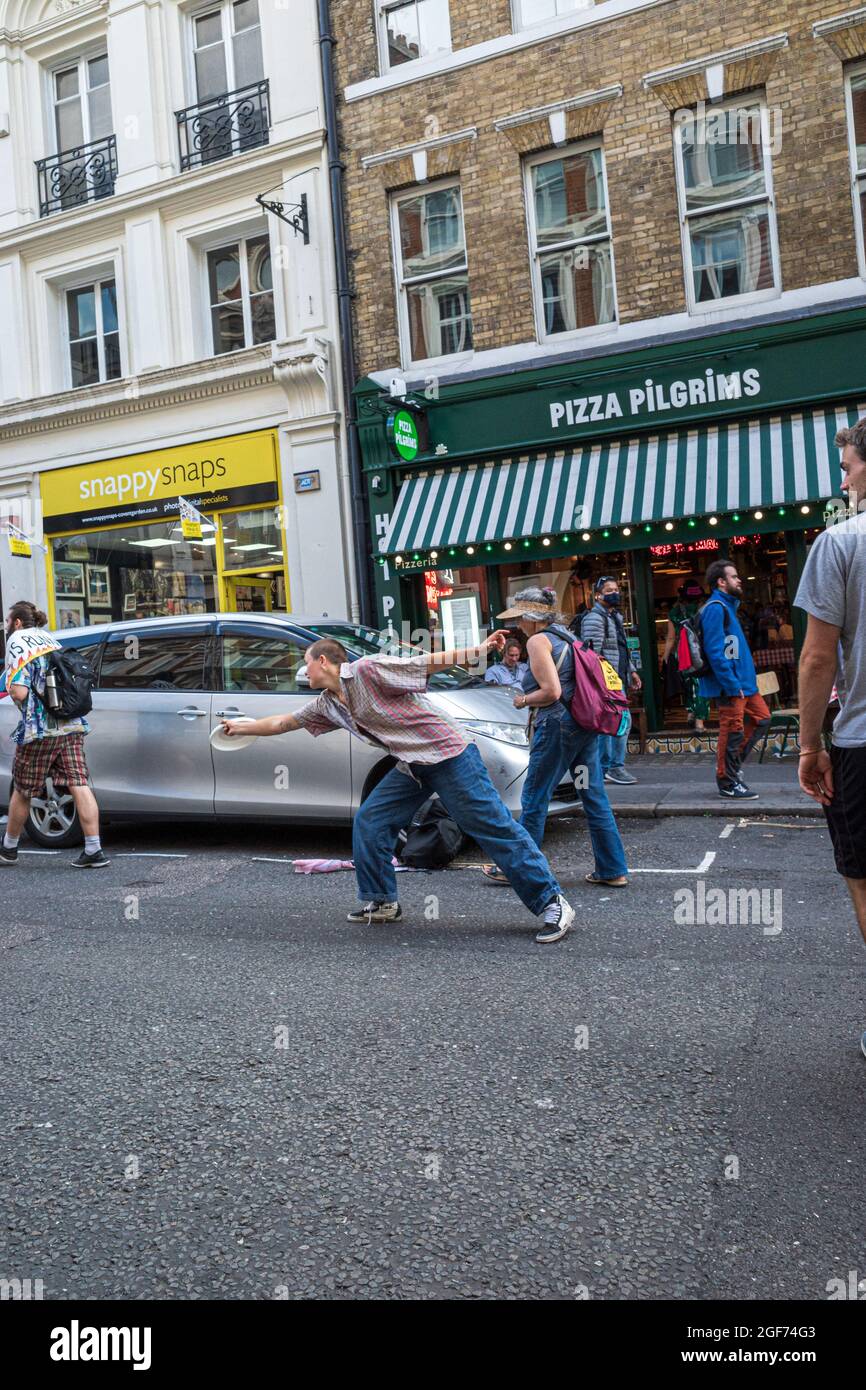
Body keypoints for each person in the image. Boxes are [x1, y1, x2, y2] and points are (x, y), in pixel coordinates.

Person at [221, 635, 575, 944]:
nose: (304, 672)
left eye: (307, 664)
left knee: (490, 826)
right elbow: (284, 722)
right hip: (413, 764)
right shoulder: (328, 704)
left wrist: (478, 650)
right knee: (371, 820)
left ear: (324, 661)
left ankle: (552, 902)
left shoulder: (367, 670)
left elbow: (424, 664)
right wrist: (242, 728)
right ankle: (382, 901)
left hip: (448, 753)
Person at [794, 417, 866, 1058]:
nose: (842, 480)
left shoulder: (841, 543)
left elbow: (817, 660)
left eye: (847, 467)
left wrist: (810, 746)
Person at [481, 587, 629, 889]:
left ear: (532, 617)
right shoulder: (568, 636)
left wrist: (523, 701)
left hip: (556, 728)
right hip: (583, 727)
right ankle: (612, 868)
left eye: (521, 617)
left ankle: (520, 870)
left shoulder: (538, 641)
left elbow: (551, 691)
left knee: (534, 796)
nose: (519, 625)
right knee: (593, 795)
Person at [1, 601, 108, 868]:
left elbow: (19, 691)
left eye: (6, 620)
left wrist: (19, 698)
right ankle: (94, 849)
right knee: (79, 783)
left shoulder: (17, 641)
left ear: (16, 622)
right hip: (71, 724)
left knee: (24, 789)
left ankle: (9, 848)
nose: (5, 625)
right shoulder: (49, 639)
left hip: (40, 730)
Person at [698, 560, 770, 800]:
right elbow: (715, 651)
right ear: (721, 581)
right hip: (731, 686)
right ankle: (727, 781)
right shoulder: (715, 608)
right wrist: (731, 684)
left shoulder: (728, 607)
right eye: (734, 576)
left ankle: (733, 769)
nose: (739, 580)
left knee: (762, 718)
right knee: (731, 730)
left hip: (744, 684)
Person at [580, 576, 641, 785]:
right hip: (607, 683)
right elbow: (591, 655)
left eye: (616, 588)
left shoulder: (614, 616)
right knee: (616, 723)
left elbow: (620, 647)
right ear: (598, 595)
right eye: (608, 590)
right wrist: (600, 684)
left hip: (617, 679)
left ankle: (608, 767)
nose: (614, 592)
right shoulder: (595, 619)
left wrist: (631, 671)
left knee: (614, 723)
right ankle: (612, 767)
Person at [662, 581, 710, 731]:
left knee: (688, 684)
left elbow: (670, 638)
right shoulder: (704, 609)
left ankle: (690, 713)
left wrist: (665, 656)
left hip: (682, 655)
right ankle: (699, 722)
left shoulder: (674, 612)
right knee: (701, 686)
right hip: (700, 653)